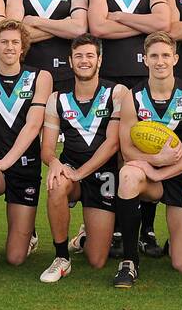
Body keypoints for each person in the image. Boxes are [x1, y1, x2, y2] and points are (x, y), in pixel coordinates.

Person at [88, 0, 168, 257]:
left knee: (145, 146)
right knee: (114, 152)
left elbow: (163, 24)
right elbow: (97, 27)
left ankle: (146, 228)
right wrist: (141, 22)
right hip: (109, 77)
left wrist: (120, 16)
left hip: (144, 78)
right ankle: (120, 227)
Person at [111, 32, 182, 288]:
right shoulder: (132, 97)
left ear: (175, 58)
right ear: (145, 59)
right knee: (128, 174)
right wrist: (155, 159)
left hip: (181, 176)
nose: (160, 61)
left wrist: (161, 170)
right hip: (149, 177)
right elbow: (127, 149)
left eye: (166, 55)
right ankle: (129, 261)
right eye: (154, 56)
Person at [0, 19, 52, 276]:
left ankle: (28, 232)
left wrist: (5, 162)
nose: (10, 47)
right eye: (4, 42)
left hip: (23, 166)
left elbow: (33, 126)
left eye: (15, 42)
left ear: (23, 47)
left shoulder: (40, 77)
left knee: (15, 257)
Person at [38, 34, 122, 283]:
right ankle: (61, 257)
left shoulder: (116, 93)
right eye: (79, 56)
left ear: (99, 60)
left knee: (97, 260)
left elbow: (113, 143)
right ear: (70, 61)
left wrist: (80, 173)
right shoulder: (57, 98)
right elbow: (47, 149)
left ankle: (85, 238)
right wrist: (55, 163)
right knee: (56, 183)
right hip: (71, 172)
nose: (84, 61)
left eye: (89, 55)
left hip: (104, 175)